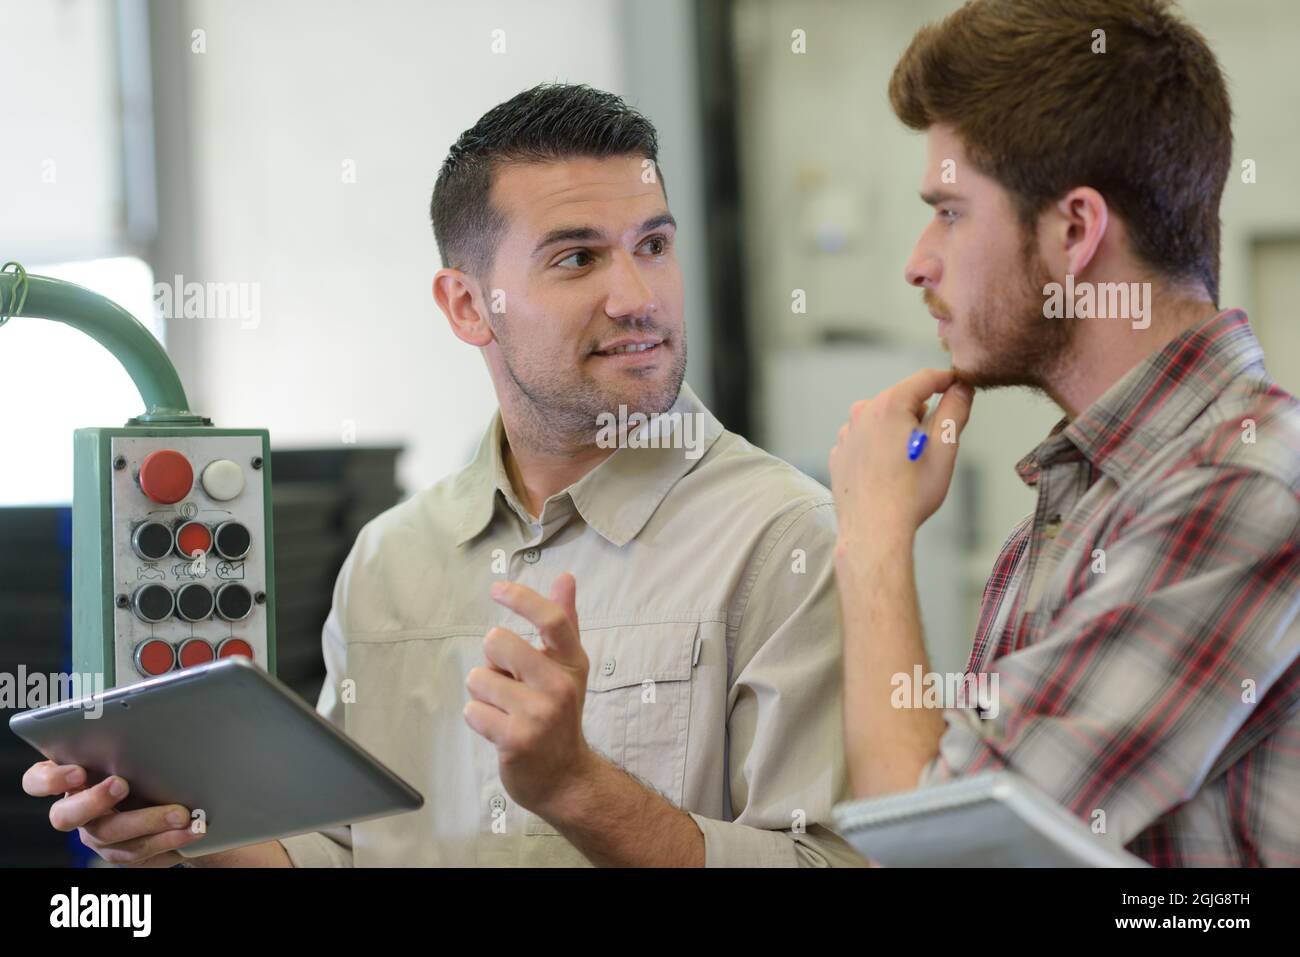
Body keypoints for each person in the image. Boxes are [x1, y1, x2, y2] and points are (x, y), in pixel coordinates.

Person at [24, 83, 861, 868]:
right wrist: (181, 832)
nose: (638, 295)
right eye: (577, 260)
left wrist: (579, 788)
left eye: (654, 244)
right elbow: (344, 850)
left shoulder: (787, 540)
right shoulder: (390, 561)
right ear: (467, 306)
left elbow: (832, 861)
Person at [831, 0, 1300, 866]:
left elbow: (949, 854)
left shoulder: (1242, 482)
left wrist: (872, 536)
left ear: (1075, 230)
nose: (917, 261)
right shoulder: (1083, 496)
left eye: (950, 211)